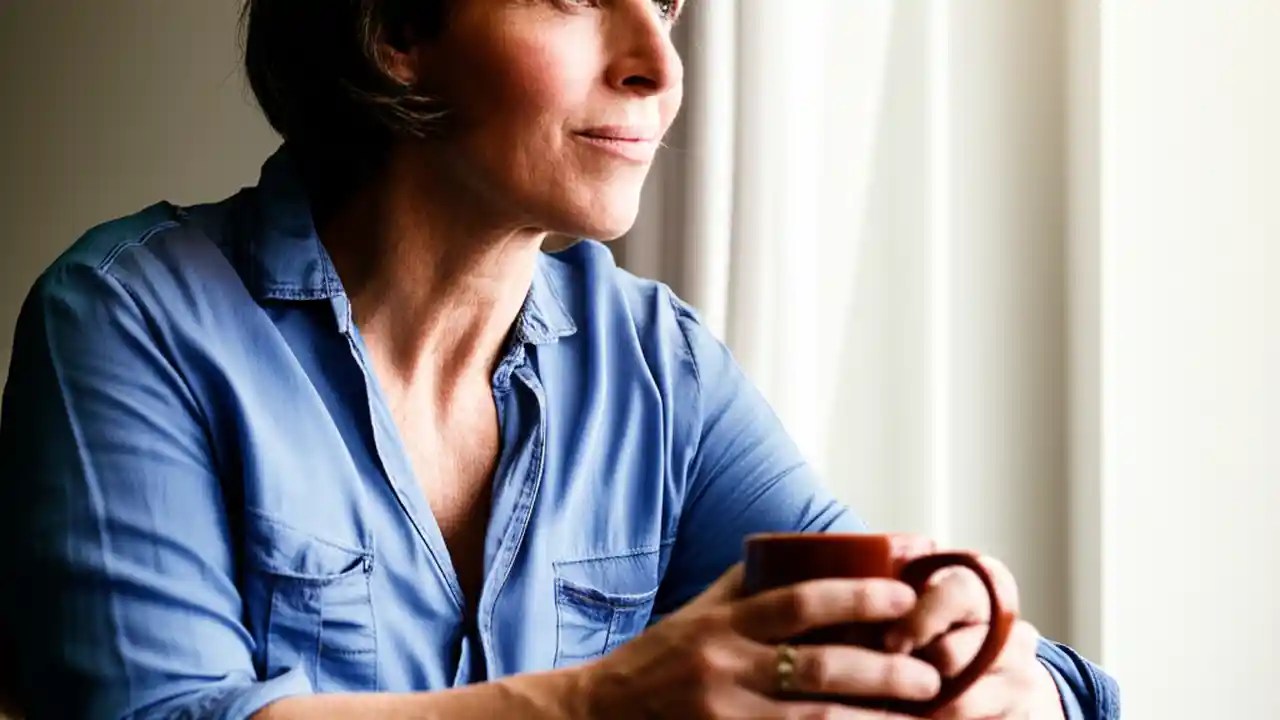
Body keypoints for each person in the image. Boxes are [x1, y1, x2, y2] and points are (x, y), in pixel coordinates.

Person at [0, 1, 1119, 718]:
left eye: (668, 5)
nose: (656, 66)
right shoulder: (129, 318)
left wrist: (994, 678)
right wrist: (600, 707)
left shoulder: (660, 366)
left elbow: (920, 645)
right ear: (398, 29)